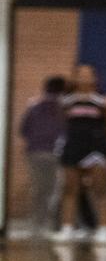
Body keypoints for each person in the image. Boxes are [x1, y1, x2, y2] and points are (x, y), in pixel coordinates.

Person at [50, 63, 106, 244]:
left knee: (100, 188)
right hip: (73, 145)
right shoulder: (66, 101)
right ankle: (67, 228)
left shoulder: (104, 101)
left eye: (88, 74)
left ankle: (104, 228)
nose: (84, 78)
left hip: (96, 146)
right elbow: (62, 124)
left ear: (95, 78)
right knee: (70, 188)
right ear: (74, 77)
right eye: (80, 74)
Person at [17, 75, 67, 238]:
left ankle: (37, 224)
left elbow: (23, 129)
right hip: (55, 153)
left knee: (39, 189)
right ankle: (50, 224)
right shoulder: (63, 108)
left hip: (35, 152)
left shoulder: (35, 106)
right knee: (53, 190)